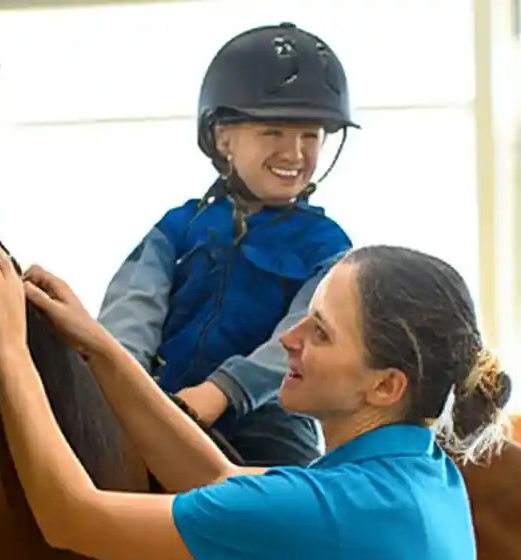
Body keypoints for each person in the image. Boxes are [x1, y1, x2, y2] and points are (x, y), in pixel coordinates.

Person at [0, 223, 513, 560]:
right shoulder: (426, 480)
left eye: (321, 332)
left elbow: (71, 517)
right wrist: (100, 348)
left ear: (386, 386)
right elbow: (221, 480)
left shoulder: (325, 513)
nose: (289, 338)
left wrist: (10, 349)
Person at [96, 21, 360, 467]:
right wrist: (122, 384)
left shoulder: (328, 249)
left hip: (266, 425)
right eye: (272, 133)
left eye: (309, 136)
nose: (294, 153)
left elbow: (301, 339)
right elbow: (131, 312)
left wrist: (220, 392)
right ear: (224, 139)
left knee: (284, 511)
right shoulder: (178, 227)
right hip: (161, 406)